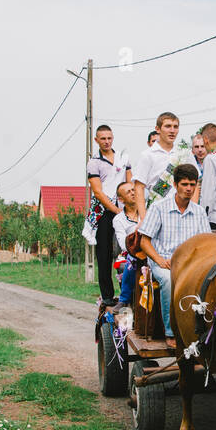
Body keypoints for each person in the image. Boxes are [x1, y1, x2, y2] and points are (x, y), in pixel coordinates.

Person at [137, 163, 210, 338]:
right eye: (185, 184)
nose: (189, 189)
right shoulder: (159, 207)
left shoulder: (199, 212)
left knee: (211, 280)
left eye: (192, 185)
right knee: (169, 281)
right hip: (165, 262)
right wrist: (159, 260)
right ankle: (171, 332)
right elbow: (144, 242)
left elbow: (206, 243)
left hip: (191, 265)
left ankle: (203, 332)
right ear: (175, 185)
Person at [87, 124, 130, 305]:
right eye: (102, 138)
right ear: (96, 140)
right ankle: (107, 295)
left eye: (109, 138)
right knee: (104, 254)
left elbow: (129, 181)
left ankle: (127, 292)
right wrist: (116, 210)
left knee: (126, 251)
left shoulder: (122, 158)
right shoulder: (94, 162)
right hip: (105, 211)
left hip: (123, 207)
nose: (106, 141)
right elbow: (98, 192)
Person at [133, 112, 181, 218]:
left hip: (181, 213)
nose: (172, 131)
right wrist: (143, 218)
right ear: (158, 129)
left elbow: (195, 184)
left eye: (175, 127)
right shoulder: (147, 155)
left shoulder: (183, 154)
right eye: (168, 126)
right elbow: (138, 187)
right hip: (156, 213)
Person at [110, 181, 142, 308]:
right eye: (129, 192)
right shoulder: (119, 220)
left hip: (150, 250)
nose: (133, 193)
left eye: (133, 190)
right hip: (131, 252)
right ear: (121, 200)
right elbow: (124, 244)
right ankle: (124, 299)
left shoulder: (147, 211)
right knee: (131, 262)